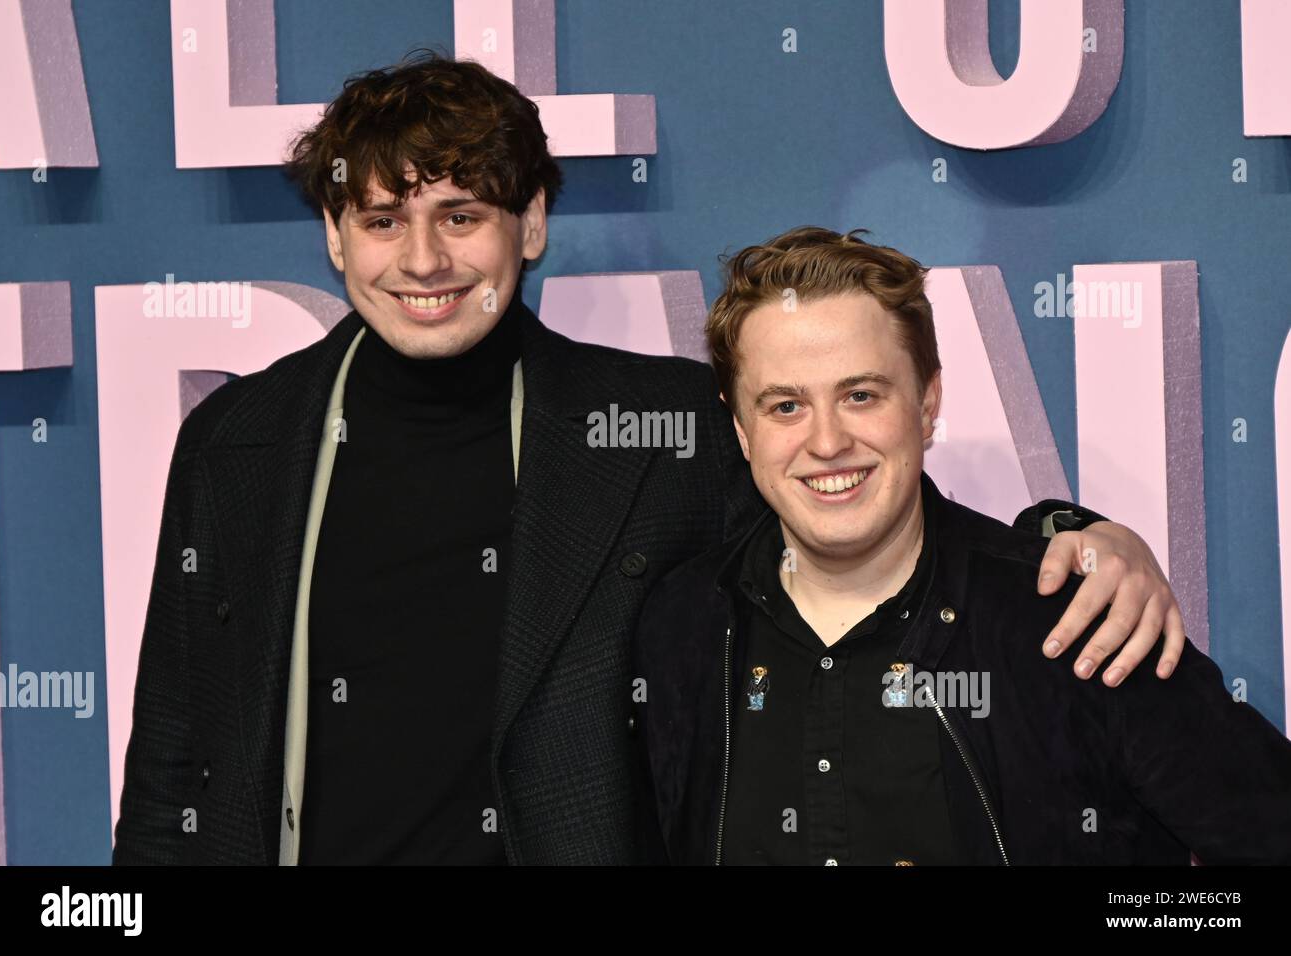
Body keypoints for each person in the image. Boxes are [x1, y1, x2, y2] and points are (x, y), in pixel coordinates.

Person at [113, 51, 1184, 866]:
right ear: (336, 238)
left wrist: (1067, 536)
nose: (425, 258)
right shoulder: (238, 442)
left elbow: (865, 529)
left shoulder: (659, 428)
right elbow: (171, 753)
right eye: (384, 219)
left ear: (530, 223)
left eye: (462, 214)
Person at [631, 226, 1291, 865]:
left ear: (927, 403)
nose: (827, 442)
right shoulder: (681, 625)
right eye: (785, 407)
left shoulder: (1075, 619)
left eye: (861, 395)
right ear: (741, 429)